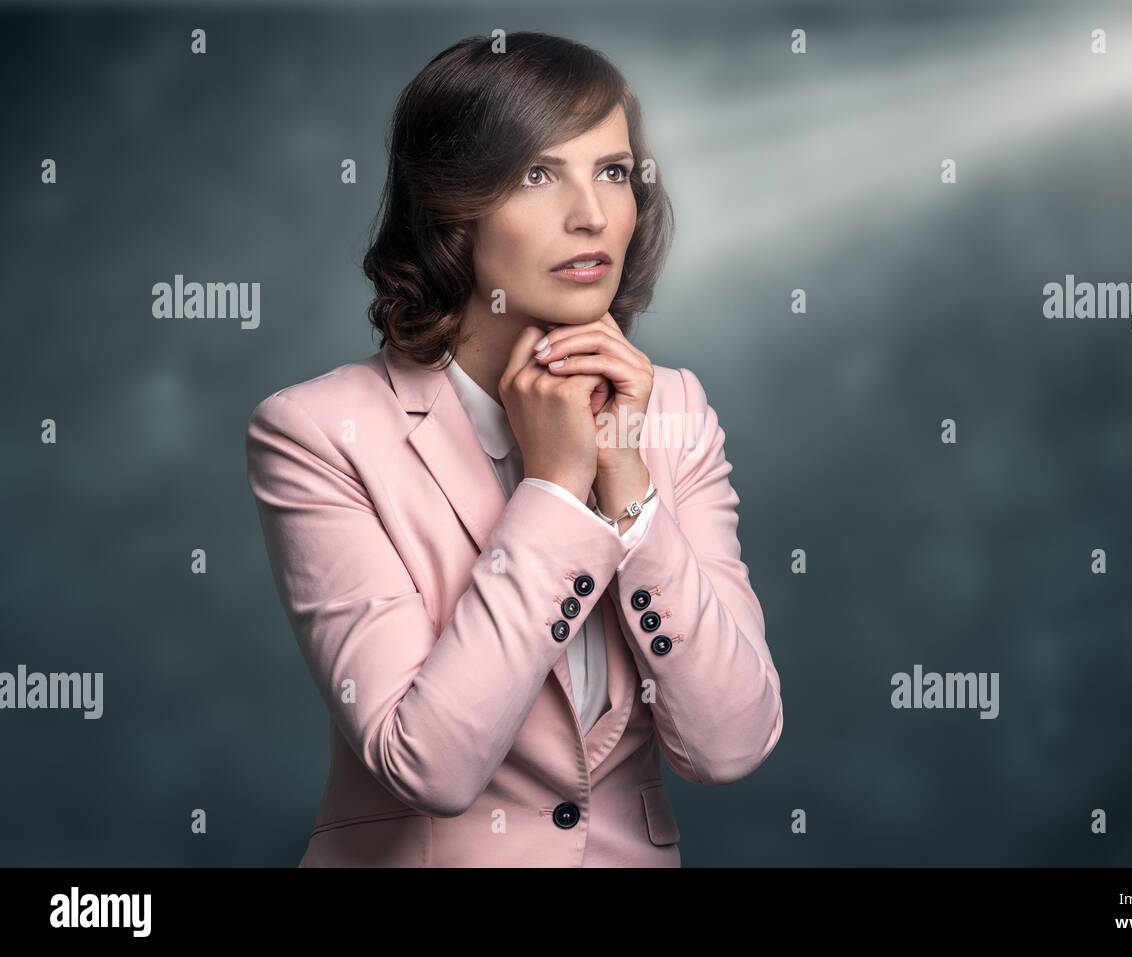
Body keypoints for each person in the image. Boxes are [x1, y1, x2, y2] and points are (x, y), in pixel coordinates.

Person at [245, 31, 782, 867]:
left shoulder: (675, 408)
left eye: (612, 171)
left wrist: (629, 483)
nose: (592, 215)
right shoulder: (316, 431)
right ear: (451, 206)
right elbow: (427, 763)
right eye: (539, 174)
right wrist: (561, 491)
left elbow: (732, 743)